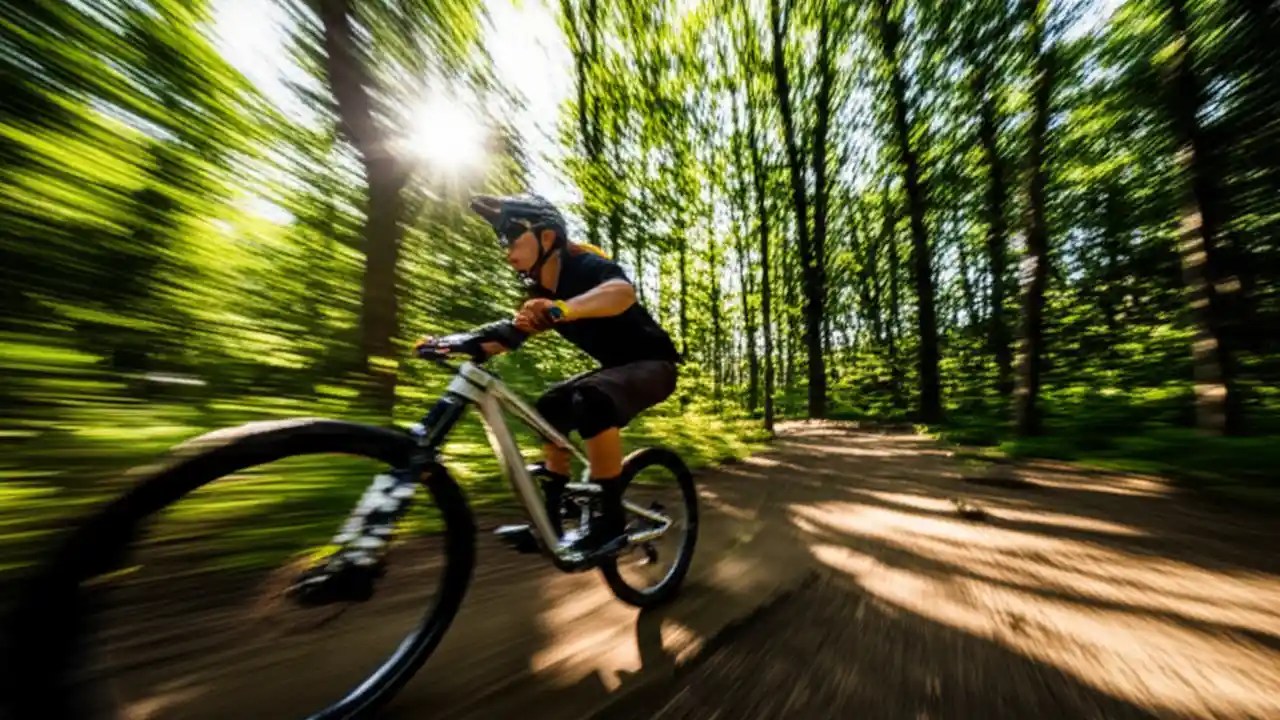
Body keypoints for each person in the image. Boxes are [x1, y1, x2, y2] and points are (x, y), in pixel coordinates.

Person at [426, 193, 681, 559]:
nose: (506, 249)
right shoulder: (541, 293)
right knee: (550, 405)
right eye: (502, 241)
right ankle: (550, 518)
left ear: (547, 237)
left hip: (655, 365)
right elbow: (507, 336)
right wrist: (452, 344)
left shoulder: (584, 266)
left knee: (592, 399)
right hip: (616, 371)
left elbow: (621, 293)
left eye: (513, 237)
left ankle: (609, 521)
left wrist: (564, 309)